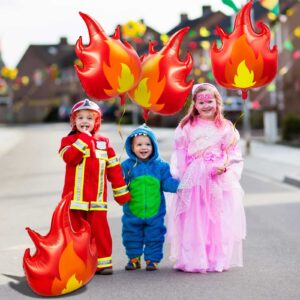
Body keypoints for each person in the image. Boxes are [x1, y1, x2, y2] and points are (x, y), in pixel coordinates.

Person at [167, 83, 246, 273]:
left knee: (217, 218)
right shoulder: (187, 126)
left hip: (217, 179)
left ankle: (216, 258)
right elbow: (180, 151)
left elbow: (233, 152)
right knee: (195, 218)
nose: (206, 106)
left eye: (209, 101)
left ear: (217, 102)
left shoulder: (226, 128)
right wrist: (183, 173)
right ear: (194, 105)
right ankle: (193, 258)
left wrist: (225, 166)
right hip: (194, 179)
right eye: (201, 102)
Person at [59, 99, 130, 275]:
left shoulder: (104, 143)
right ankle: (78, 265)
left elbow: (113, 169)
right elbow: (70, 158)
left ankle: (103, 263)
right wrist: (83, 139)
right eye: (80, 117)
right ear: (73, 121)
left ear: (96, 121)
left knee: (100, 233)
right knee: (75, 234)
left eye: (89, 118)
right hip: (74, 201)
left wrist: (121, 193)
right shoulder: (67, 141)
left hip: (97, 201)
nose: (85, 121)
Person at [121, 124, 179, 271]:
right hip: (132, 211)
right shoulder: (127, 166)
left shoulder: (161, 166)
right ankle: (133, 258)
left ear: (153, 146)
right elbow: (120, 184)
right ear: (132, 147)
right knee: (131, 235)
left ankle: (152, 260)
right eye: (139, 144)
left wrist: (179, 184)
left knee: (155, 235)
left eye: (147, 144)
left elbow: (166, 183)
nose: (143, 147)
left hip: (155, 212)